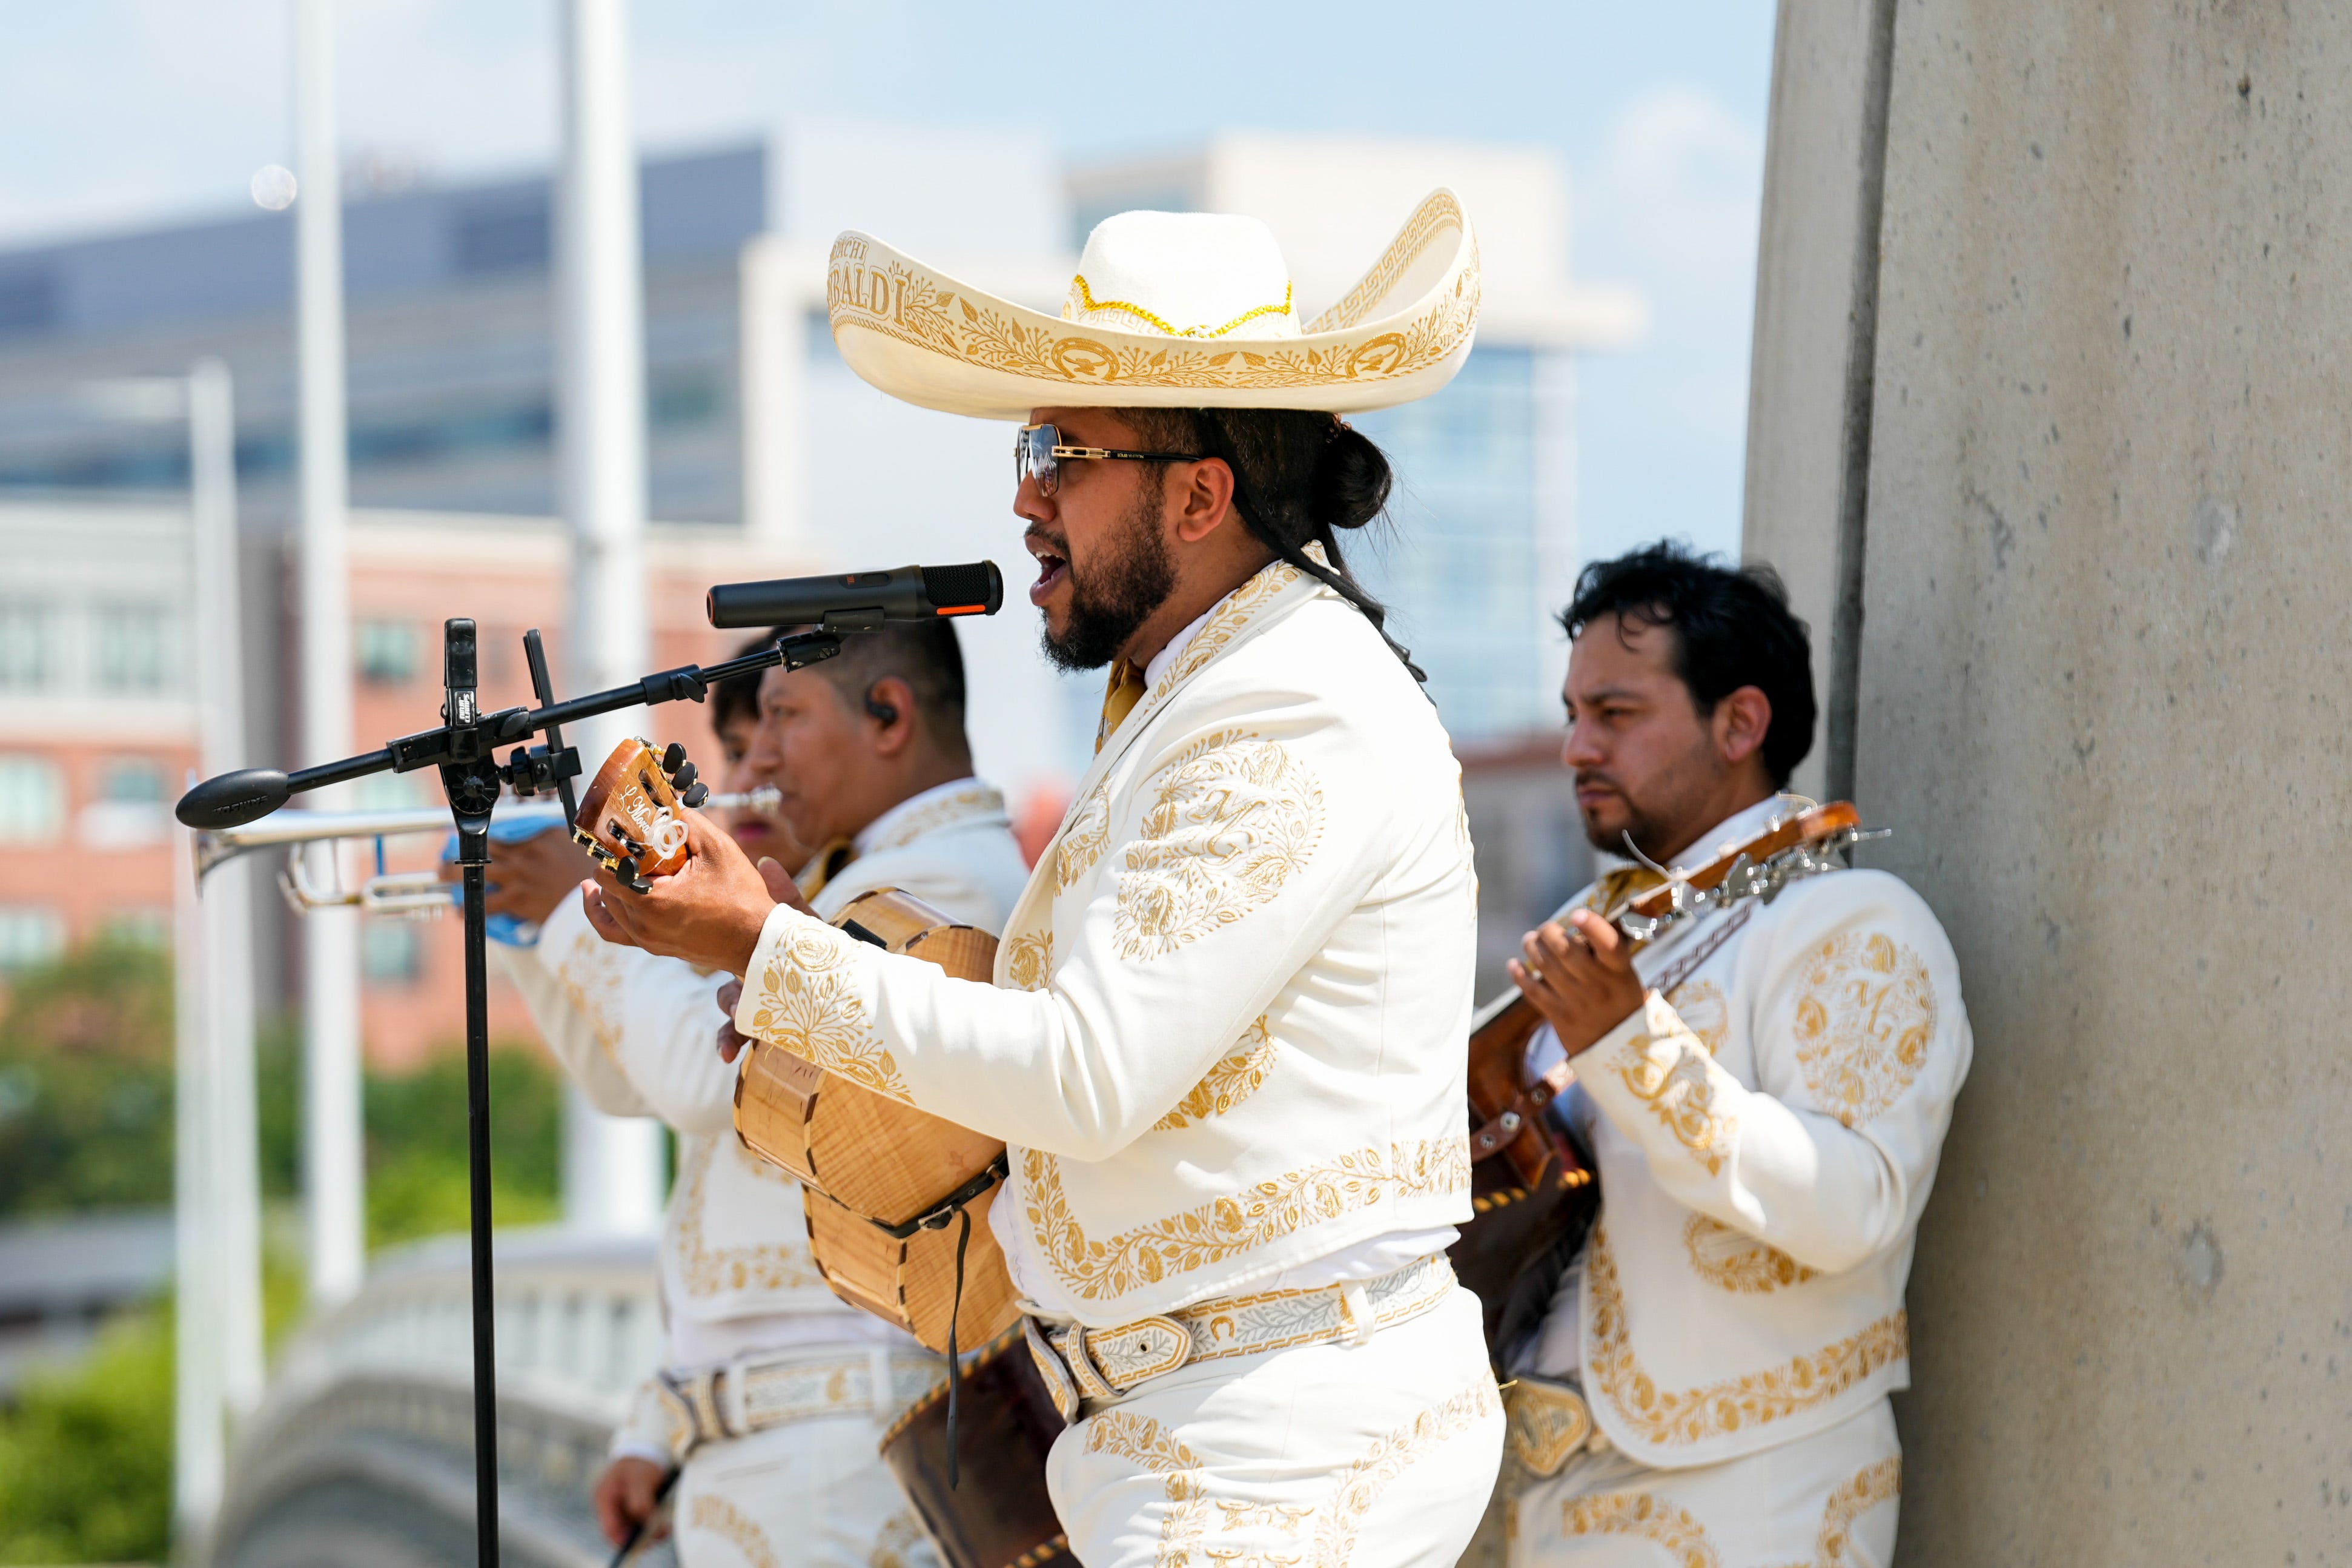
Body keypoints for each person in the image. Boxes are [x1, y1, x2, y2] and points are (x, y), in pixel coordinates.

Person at [578, 196, 1505, 1567]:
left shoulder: (1287, 705)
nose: (1026, 497)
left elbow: (1085, 1070)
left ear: (1199, 495)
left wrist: (764, 947)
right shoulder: (1205, 693)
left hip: (1279, 1451)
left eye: (1059, 454)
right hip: (1220, 1436)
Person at [491, 620, 1029, 1568]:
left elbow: (705, 1077)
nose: (758, 761)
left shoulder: (937, 877)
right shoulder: (859, 872)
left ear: (890, 715)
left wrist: (578, 906)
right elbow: (631, 1080)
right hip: (794, 1443)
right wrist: (540, 917)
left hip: (844, 1436)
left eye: (781, 717)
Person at [1497, 543, 1972, 1567]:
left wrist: (1631, 1047)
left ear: (1740, 723)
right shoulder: (1593, 926)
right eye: (1573, 713)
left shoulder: (1853, 919)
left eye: (1615, 713)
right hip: (1534, 1501)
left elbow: (1853, 1204)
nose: (1577, 746)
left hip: (1755, 1492)